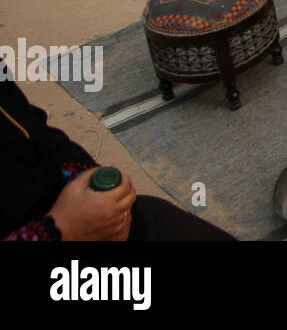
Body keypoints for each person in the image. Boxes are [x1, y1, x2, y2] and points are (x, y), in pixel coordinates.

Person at [2, 64, 234, 240]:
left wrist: (92, 187)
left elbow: (33, 128)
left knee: (162, 220)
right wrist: (63, 229)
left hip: (70, 212)